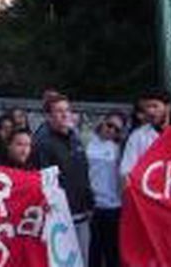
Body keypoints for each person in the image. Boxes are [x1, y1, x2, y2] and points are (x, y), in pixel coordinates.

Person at [30, 92, 92, 258]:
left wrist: (89, 203)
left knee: (83, 259)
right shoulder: (43, 143)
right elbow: (43, 179)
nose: (65, 114)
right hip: (60, 217)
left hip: (82, 213)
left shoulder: (75, 139)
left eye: (67, 110)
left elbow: (83, 174)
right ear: (49, 116)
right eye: (59, 111)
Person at [87, 113, 126, 267]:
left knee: (112, 253)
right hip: (92, 206)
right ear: (103, 122)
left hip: (113, 206)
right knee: (92, 252)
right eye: (110, 125)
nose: (111, 130)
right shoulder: (87, 141)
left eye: (117, 129)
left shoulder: (120, 149)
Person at [120, 88, 171, 184]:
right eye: (148, 107)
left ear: (168, 107)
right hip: (149, 193)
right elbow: (127, 171)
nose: (151, 111)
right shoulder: (137, 136)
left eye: (155, 106)